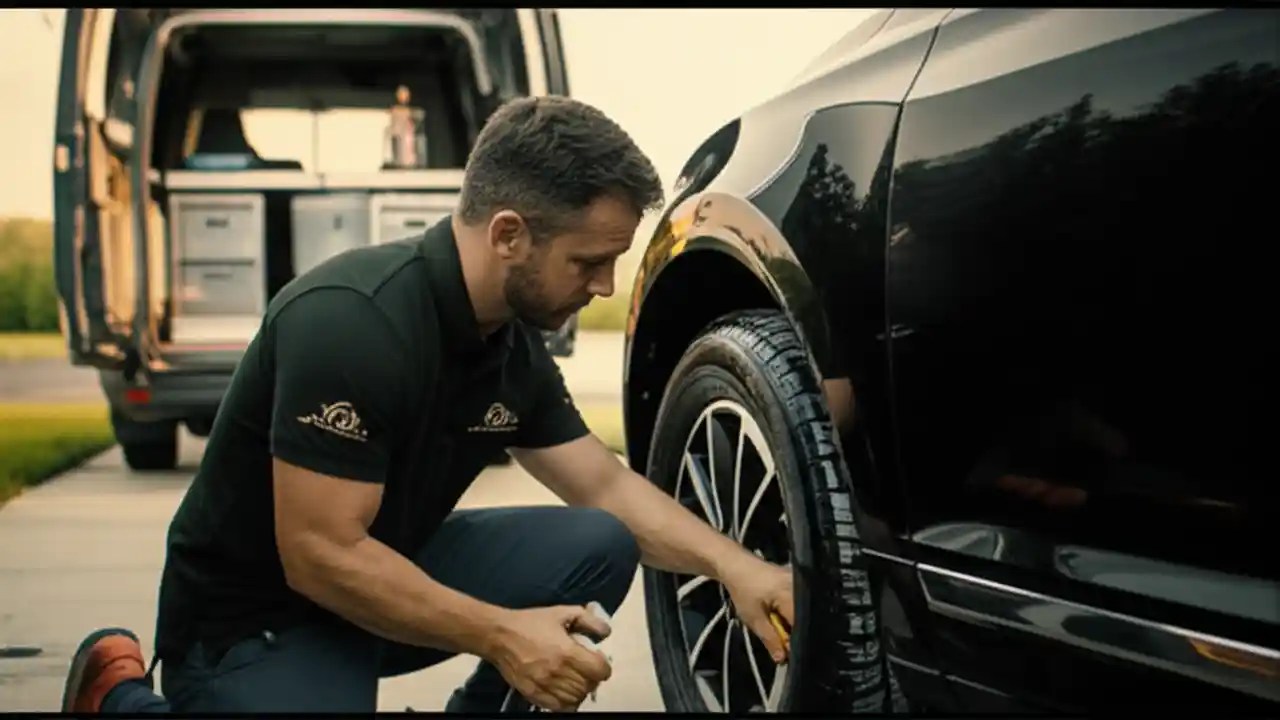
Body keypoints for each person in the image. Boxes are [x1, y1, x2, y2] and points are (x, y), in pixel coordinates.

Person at [60, 95, 795, 714]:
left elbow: (603, 485)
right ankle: (118, 697)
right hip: (258, 621)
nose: (603, 286)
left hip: (385, 575)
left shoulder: (511, 347)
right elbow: (319, 557)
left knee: (597, 541)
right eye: (588, 261)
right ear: (509, 234)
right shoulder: (352, 321)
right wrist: (504, 635)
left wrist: (739, 569)